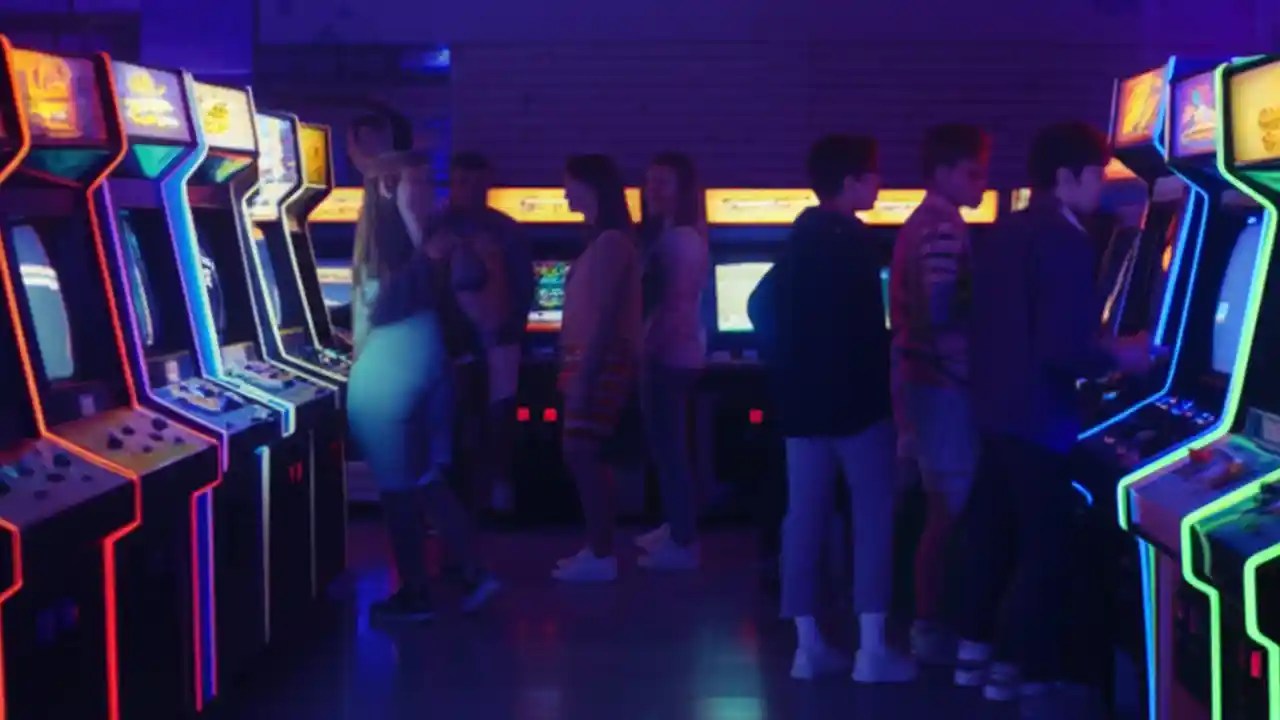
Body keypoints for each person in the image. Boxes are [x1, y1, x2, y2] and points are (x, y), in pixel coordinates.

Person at [957, 122, 1154, 713]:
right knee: (1046, 548)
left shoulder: (1007, 230)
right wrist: (1127, 353)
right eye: (1097, 174)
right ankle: (1020, 670)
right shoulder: (1065, 239)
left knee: (994, 535)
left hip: (994, 409)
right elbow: (1065, 348)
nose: (1102, 186)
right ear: (1067, 177)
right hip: (1039, 417)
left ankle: (977, 656)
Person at [747, 135, 917, 684]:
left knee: (803, 519)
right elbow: (871, 334)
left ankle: (807, 646)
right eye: (873, 176)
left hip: (801, 408)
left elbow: (758, 305)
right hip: (858, 408)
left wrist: (786, 366)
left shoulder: (799, 239)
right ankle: (871, 650)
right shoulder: (853, 243)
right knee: (872, 517)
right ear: (850, 183)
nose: (879, 184)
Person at [347, 149, 501, 620]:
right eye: (416, 183)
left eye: (426, 182)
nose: (426, 192)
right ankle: (473, 572)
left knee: (399, 490)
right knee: (425, 480)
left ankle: (415, 594)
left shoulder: (431, 237)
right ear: (388, 187)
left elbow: (390, 307)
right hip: (419, 362)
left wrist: (437, 251)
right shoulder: (392, 238)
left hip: (399, 369)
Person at [889, 124, 991, 664]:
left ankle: (931, 623)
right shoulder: (940, 228)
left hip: (926, 384)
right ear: (944, 172)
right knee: (947, 513)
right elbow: (940, 309)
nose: (981, 181)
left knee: (940, 509)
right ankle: (931, 627)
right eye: (973, 172)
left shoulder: (930, 223)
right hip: (942, 386)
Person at [552, 154, 643, 583]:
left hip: (599, 362)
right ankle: (597, 547)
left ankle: (602, 551)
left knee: (582, 452)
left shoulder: (611, 243)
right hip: (589, 360)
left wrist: (587, 373)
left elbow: (607, 315)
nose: (565, 192)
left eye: (569, 184)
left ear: (592, 187)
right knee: (582, 453)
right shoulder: (603, 240)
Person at [428, 152, 534, 514]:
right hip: (449, 341)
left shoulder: (506, 230)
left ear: (488, 183)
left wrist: (511, 331)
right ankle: (461, 497)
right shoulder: (435, 228)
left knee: (499, 417)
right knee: (457, 419)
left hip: (500, 339)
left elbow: (524, 288)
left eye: (475, 182)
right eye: (461, 182)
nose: (468, 190)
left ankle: (500, 490)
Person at [632, 152, 709, 571]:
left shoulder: (676, 239)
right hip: (679, 350)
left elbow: (664, 304)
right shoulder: (678, 233)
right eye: (650, 181)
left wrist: (640, 345)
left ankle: (684, 540)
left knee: (670, 448)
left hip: (668, 352)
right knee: (667, 446)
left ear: (682, 190)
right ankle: (675, 524)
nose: (653, 190)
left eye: (663, 182)